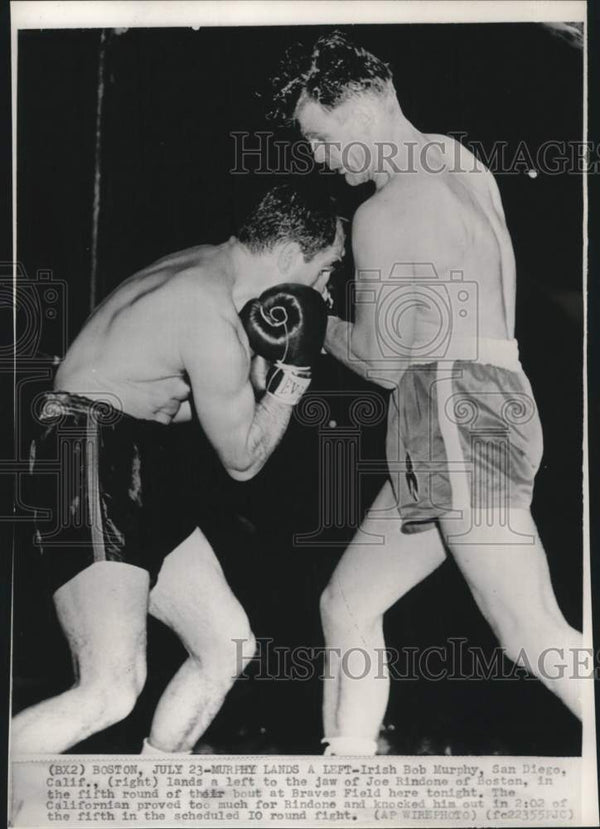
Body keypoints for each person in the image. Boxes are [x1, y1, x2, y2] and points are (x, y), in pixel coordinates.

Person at [270, 31, 583, 756]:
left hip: (454, 409)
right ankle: (345, 783)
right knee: (347, 602)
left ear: (360, 104)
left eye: (318, 136)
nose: (318, 157)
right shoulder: (457, 159)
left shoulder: (385, 213)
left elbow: (385, 363)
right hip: (488, 394)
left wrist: (310, 318)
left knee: (531, 631)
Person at [14, 183, 344, 755]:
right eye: (326, 269)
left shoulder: (210, 271)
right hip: (86, 454)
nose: (326, 290)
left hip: (134, 453)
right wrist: (294, 383)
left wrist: (268, 380)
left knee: (226, 645)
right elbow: (243, 461)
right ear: (290, 254)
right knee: (110, 690)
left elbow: (194, 398)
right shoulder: (209, 315)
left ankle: (155, 797)